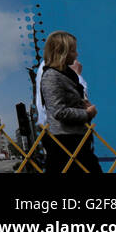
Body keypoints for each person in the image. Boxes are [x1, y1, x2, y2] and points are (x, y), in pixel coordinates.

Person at [38, 31, 102, 174]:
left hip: (76, 139)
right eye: (73, 51)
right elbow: (58, 112)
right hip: (64, 143)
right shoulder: (51, 77)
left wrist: (85, 105)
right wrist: (86, 113)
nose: (76, 54)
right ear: (62, 52)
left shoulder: (67, 74)